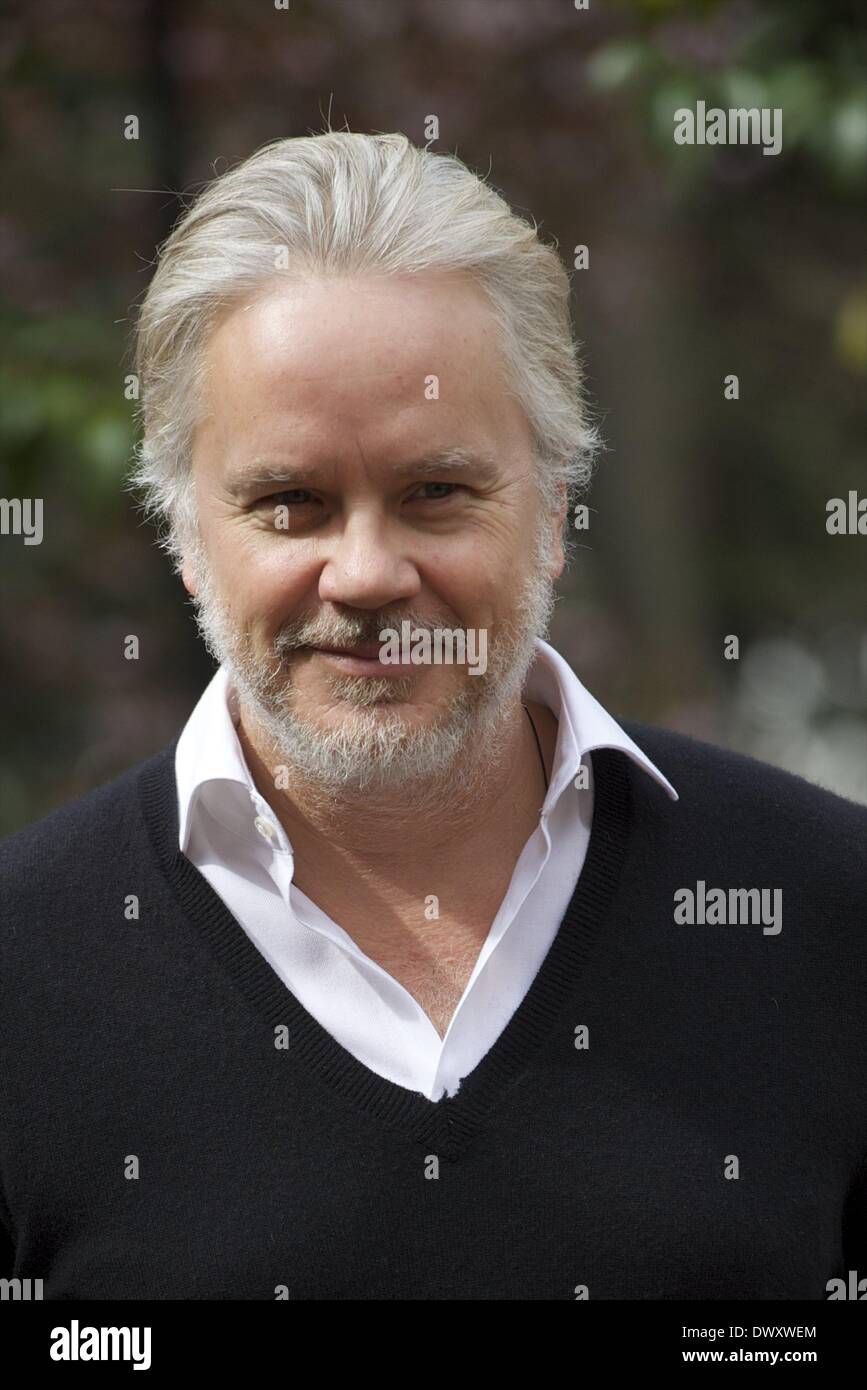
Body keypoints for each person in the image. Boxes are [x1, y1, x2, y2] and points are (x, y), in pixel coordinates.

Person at [1, 131, 864, 1301]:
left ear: (554, 511)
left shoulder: (824, 913)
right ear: (189, 538)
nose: (364, 574)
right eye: (291, 503)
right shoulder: (25, 969)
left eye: (436, 494)